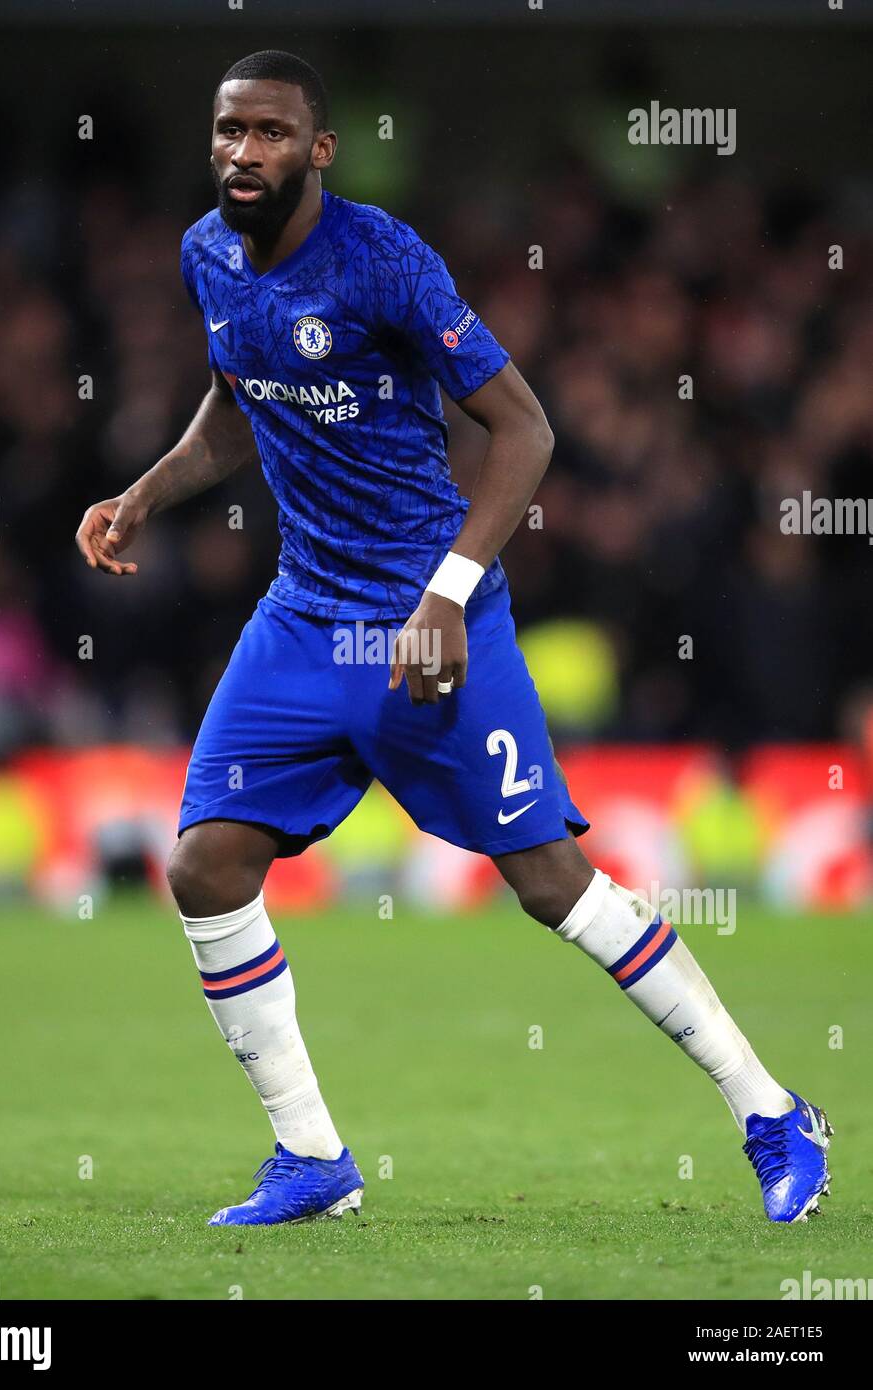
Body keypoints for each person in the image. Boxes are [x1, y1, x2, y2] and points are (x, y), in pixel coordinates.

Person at [76, 50, 831, 1227]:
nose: (241, 154)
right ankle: (313, 1159)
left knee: (550, 884)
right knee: (203, 864)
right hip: (302, 616)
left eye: (270, 134)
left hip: (431, 615)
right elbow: (239, 398)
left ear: (318, 151)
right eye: (227, 132)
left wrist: (446, 591)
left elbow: (521, 429)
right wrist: (143, 495)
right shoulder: (205, 254)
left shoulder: (382, 260)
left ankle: (771, 1111)